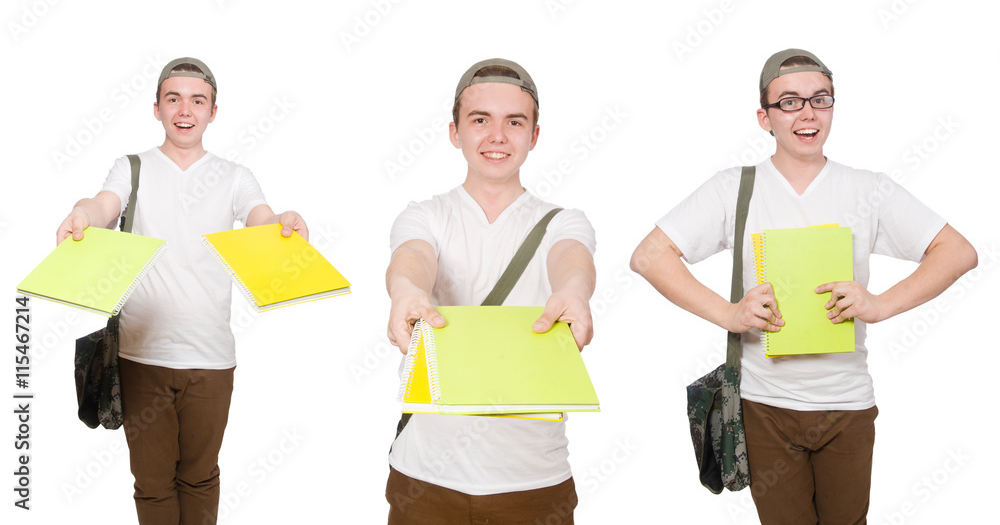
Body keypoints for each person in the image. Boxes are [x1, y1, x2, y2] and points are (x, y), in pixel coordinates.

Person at [630, 48, 977, 524]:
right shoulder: (735, 187)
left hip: (847, 405)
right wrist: (729, 313)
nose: (808, 112)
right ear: (764, 117)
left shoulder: (867, 188)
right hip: (764, 406)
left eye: (820, 99)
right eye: (789, 102)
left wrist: (878, 305)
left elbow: (958, 252)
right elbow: (649, 256)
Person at [55, 57, 308, 525]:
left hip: (211, 360)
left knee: (200, 477)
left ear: (214, 111)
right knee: (151, 484)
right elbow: (102, 205)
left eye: (198, 100)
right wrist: (81, 215)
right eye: (173, 99)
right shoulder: (131, 168)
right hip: (140, 356)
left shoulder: (234, 176)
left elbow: (262, 218)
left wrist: (281, 224)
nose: (185, 110)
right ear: (156, 108)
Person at [384, 58, 597, 524]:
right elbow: (412, 258)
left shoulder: (564, 221)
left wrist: (575, 291)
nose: (497, 136)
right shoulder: (425, 215)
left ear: (534, 136)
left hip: (534, 485)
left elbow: (571, 259)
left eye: (514, 122)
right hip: (424, 479)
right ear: (454, 132)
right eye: (480, 120)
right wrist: (405, 290)